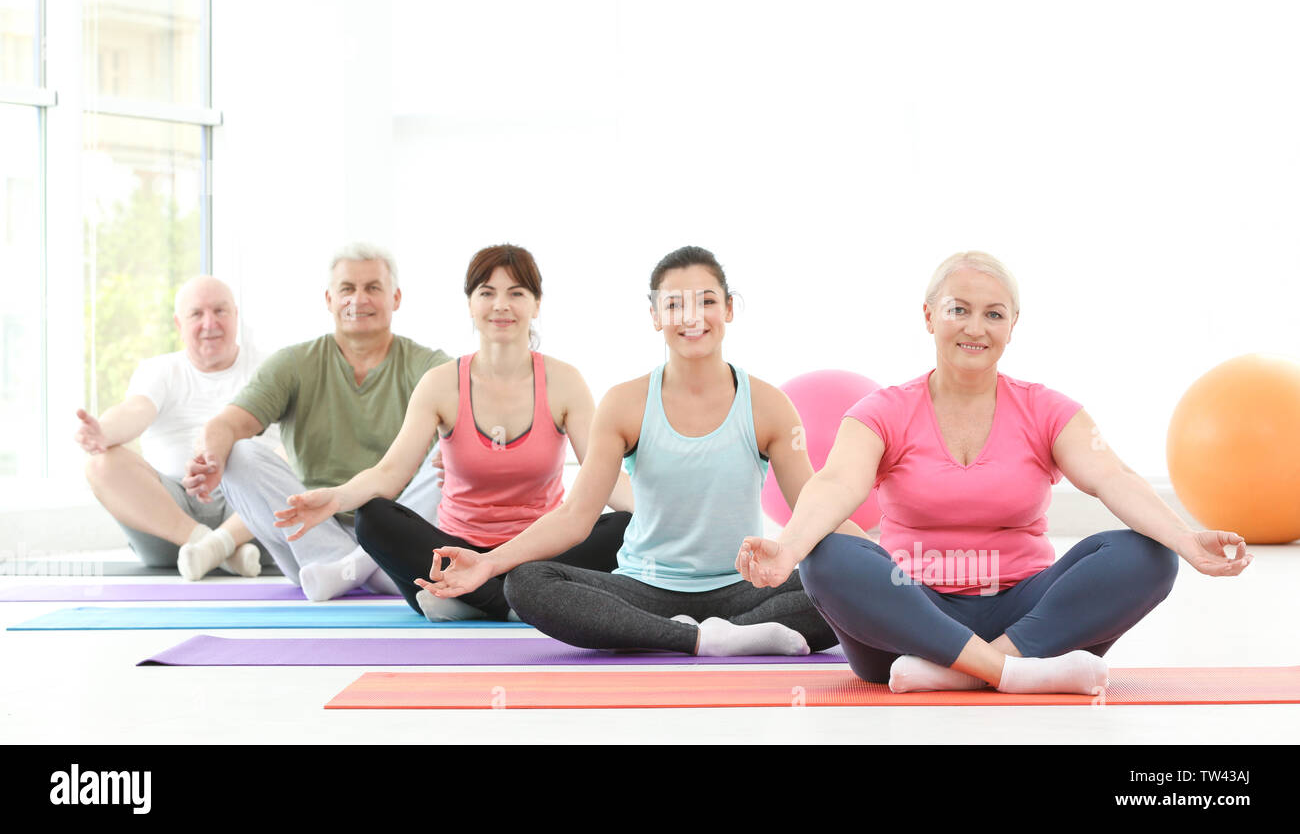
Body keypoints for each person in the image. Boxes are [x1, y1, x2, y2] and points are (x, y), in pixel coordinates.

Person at [738, 250, 1251, 694]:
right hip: (910, 615)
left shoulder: (1047, 409)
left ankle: (972, 669)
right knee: (825, 556)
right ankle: (1013, 671)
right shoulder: (882, 411)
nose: (975, 328)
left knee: (1148, 554)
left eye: (994, 314)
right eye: (958, 310)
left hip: (1026, 613)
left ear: (1012, 325)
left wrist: (1186, 540)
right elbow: (836, 484)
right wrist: (788, 550)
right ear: (929, 316)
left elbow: (1112, 477)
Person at [420, 246, 863, 656]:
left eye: (706, 301)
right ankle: (707, 638)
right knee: (526, 582)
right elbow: (577, 516)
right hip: (646, 589)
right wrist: (488, 563)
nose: (691, 316)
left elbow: (815, 508)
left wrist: (893, 567)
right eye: (674, 304)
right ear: (655, 315)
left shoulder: (767, 404)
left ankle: (701, 632)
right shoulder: (625, 403)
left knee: (844, 581)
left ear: (728, 308)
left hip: (742, 585)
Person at [272, 244, 635, 622]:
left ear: (536, 304)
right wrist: (335, 499)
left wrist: (664, 515)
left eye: (516, 293)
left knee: (625, 526)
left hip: (536, 551)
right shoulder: (441, 384)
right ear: (470, 303)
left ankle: (473, 600)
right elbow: (390, 473)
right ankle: (516, 600)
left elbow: (603, 479)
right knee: (373, 516)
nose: (501, 305)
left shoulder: (565, 382)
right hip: (455, 555)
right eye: (487, 293)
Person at [183, 243, 450, 601]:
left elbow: (480, 417)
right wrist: (211, 458)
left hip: (400, 533)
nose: (359, 299)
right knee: (239, 453)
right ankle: (372, 569)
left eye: (373, 287)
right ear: (329, 298)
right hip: (312, 536)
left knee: (455, 457)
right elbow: (226, 425)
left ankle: (350, 570)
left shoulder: (428, 365)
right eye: (347, 289)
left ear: (395, 298)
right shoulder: (294, 363)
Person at [75, 275, 271, 579]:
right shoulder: (160, 369)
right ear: (179, 325)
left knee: (301, 454)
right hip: (169, 519)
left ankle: (216, 547)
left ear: (235, 315)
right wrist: (103, 431)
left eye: (220, 311)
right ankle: (217, 548)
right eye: (197, 314)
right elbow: (135, 410)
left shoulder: (270, 368)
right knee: (100, 464)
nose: (210, 323)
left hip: (250, 519)